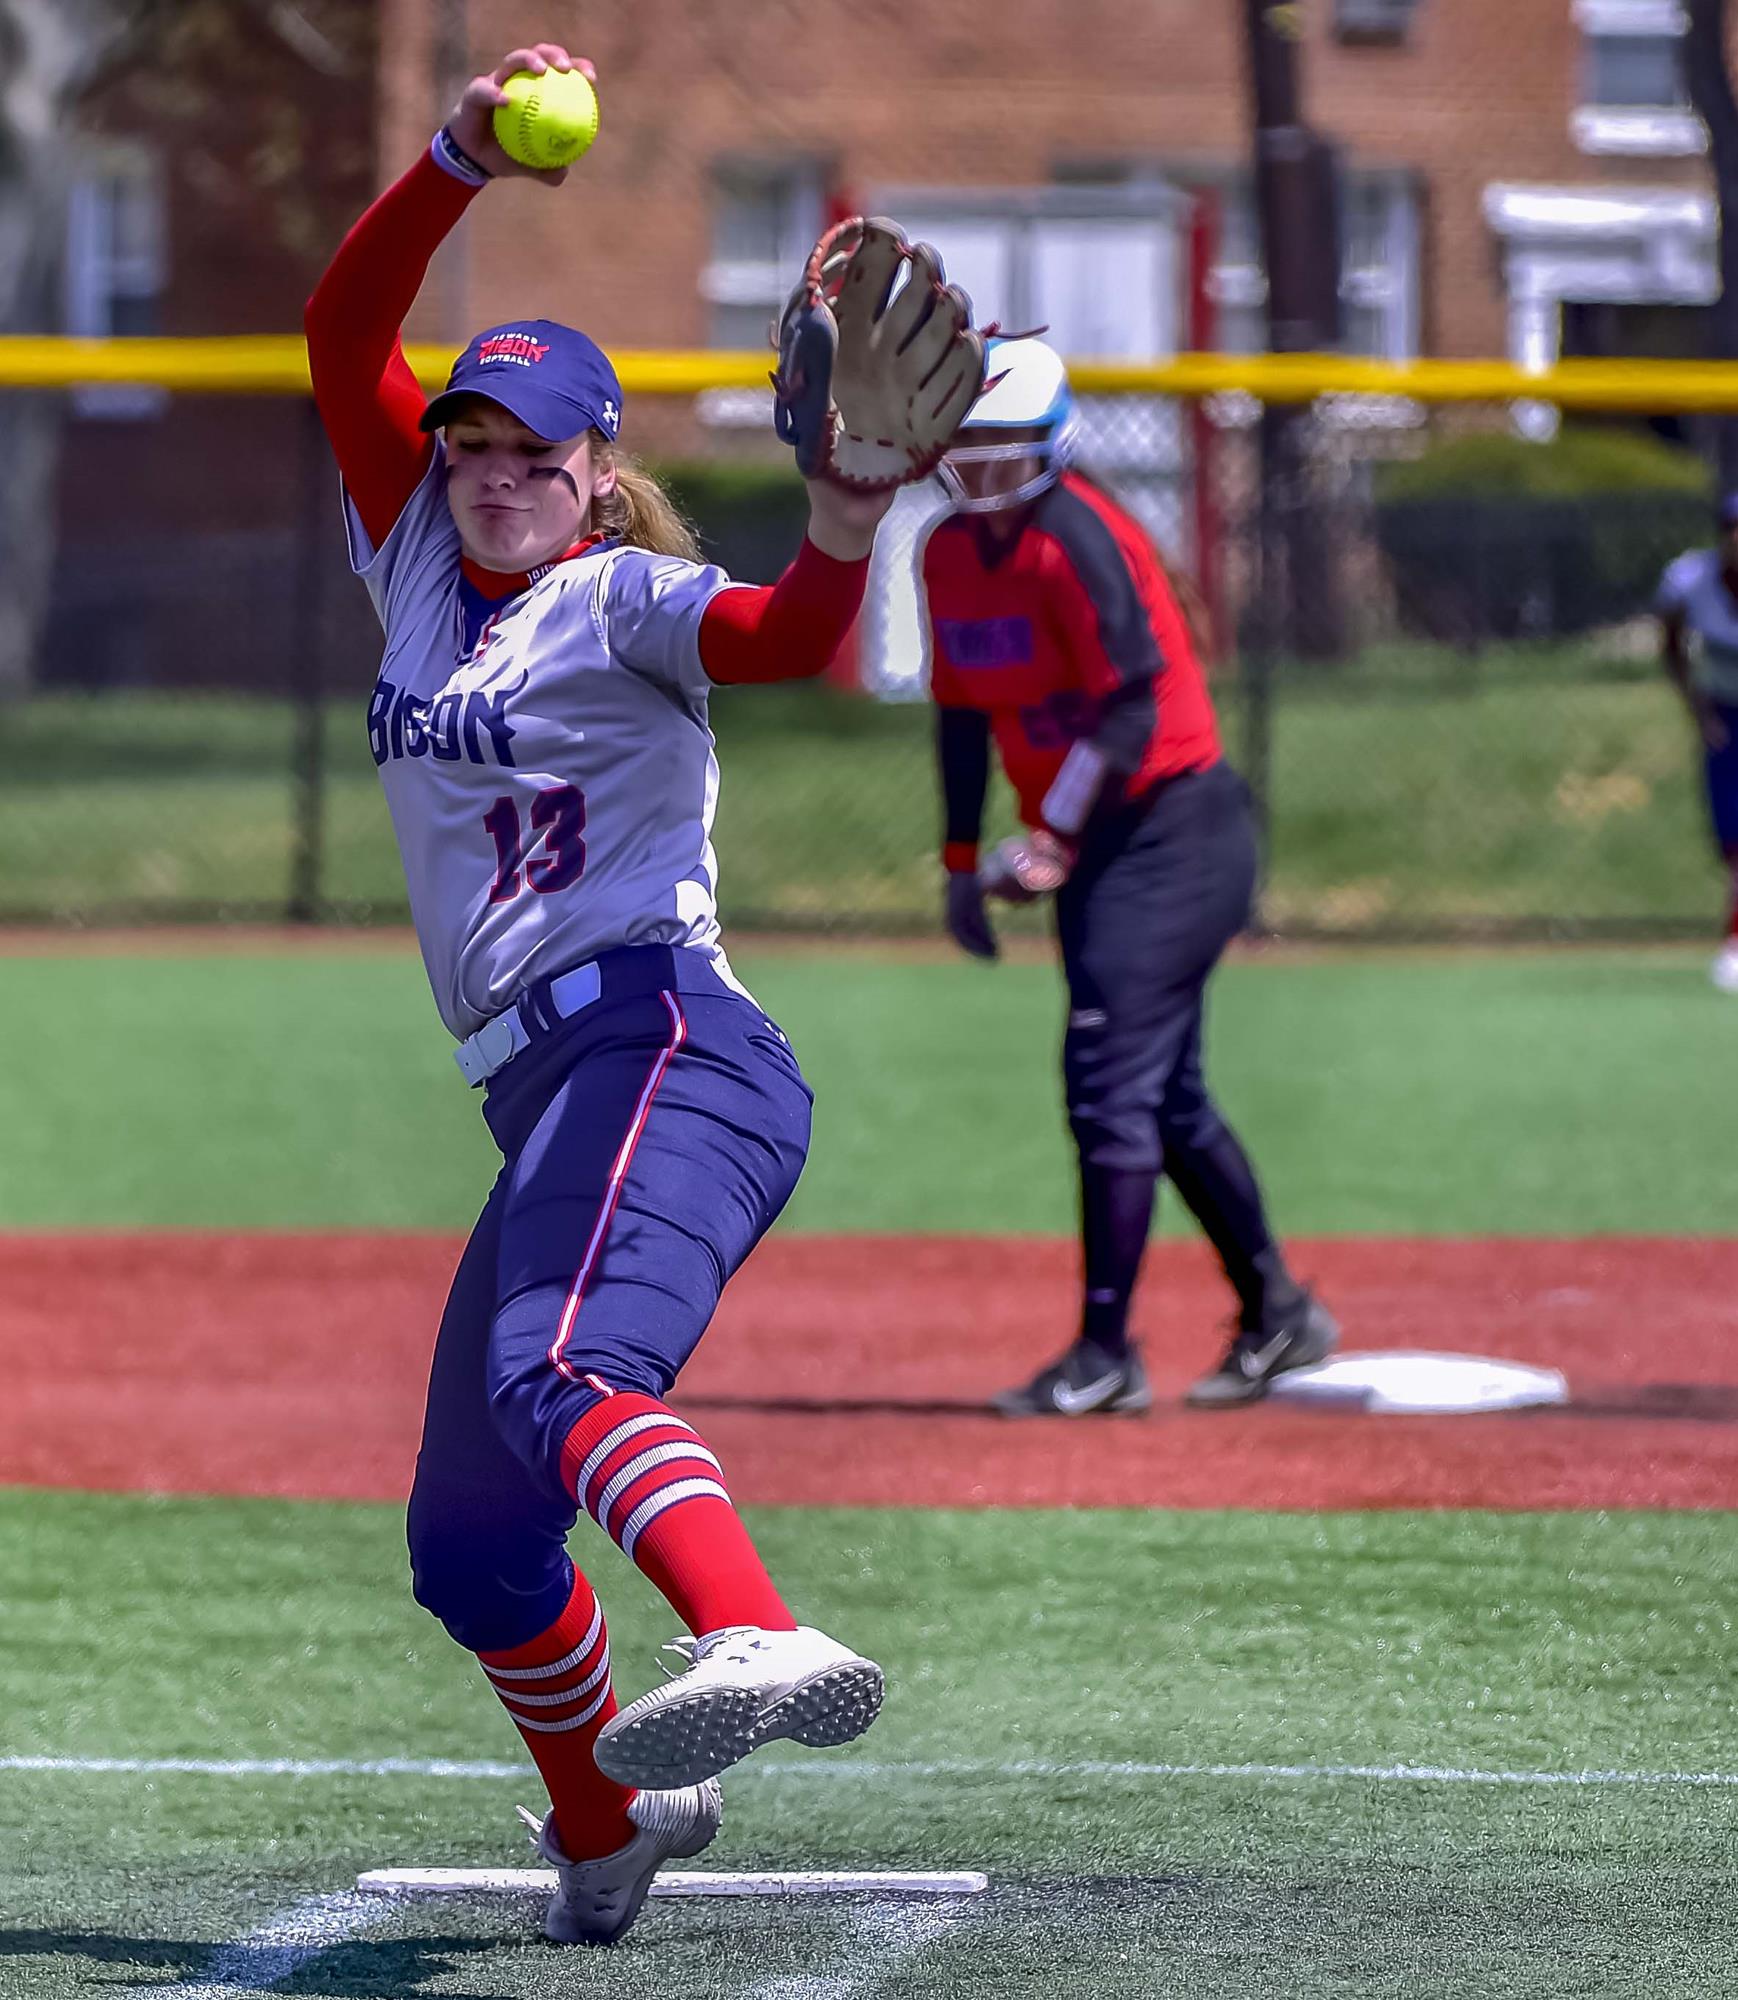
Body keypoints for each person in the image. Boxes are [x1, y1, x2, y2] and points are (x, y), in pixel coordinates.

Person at [304, 43, 895, 1949]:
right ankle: (605, 1818)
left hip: (663, 1046)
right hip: (546, 1088)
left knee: (559, 1371)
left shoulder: (621, 597)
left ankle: (752, 1625)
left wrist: (845, 516)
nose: (493, 475)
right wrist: (455, 156)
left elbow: (786, 642)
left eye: (532, 453)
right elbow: (339, 332)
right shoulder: (415, 560)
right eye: (469, 443)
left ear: (592, 471)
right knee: (471, 1543)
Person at [921, 337, 1338, 1417]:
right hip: (1101, 842)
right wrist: (961, 860)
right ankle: (1279, 1312)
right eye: (965, 446)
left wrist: (1052, 836)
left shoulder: (1078, 536)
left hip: (1174, 830)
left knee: (1110, 1084)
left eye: (1003, 447)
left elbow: (1131, 707)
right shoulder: (946, 552)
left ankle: (1105, 1353)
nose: (981, 470)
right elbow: (960, 715)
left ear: (1050, 446)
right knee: (1164, 1097)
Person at [1656, 495, 1738, 993]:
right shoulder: (1690, 580)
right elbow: (1670, 648)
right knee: (1731, 837)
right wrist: (1700, 714)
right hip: (1724, 715)